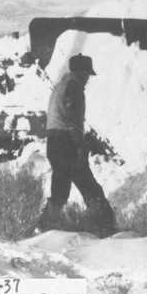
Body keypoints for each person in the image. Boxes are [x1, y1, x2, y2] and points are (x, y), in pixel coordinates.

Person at [39, 54, 115, 236]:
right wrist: (79, 145)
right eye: (87, 74)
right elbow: (72, 117)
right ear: (80, 73)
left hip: (54, 142)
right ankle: (105, 226)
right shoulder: (74, 86)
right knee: (90, 187)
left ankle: (46, 226)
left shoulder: (61, 85)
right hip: (67, 142)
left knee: (60, 190)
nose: (88, 79)